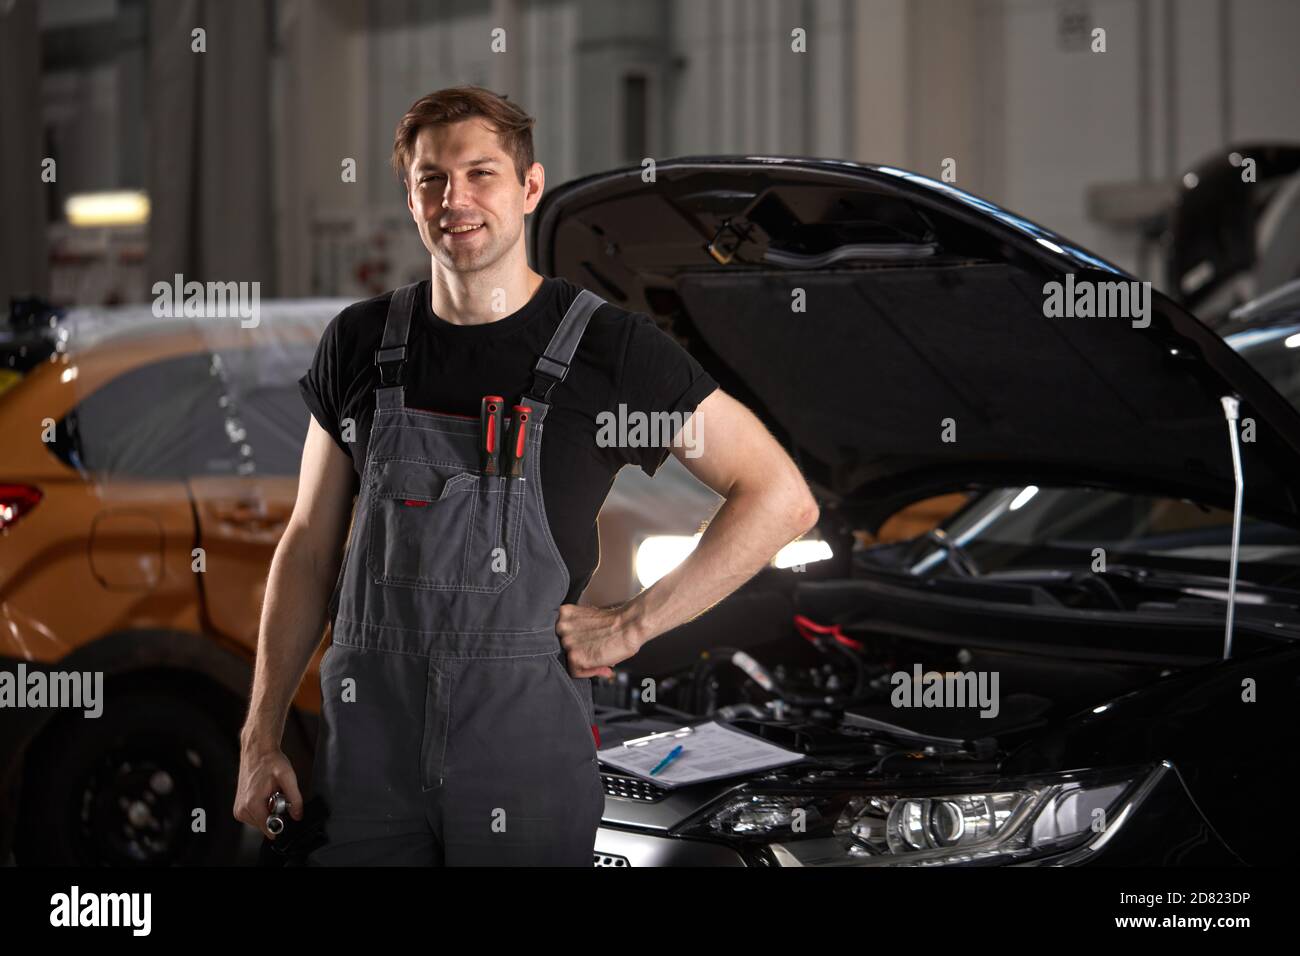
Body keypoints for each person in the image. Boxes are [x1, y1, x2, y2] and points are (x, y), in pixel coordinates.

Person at [232, 85, 818, 865]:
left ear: (529, 187)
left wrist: (634, 623)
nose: (456, 200)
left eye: (481, 175)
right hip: (367, 760)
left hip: (523, 759)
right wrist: (259, 735)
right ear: (409, 197)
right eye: (432, 180)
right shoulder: (360, 344)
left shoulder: (609, 352)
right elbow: (307, 546)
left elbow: (781, 497)